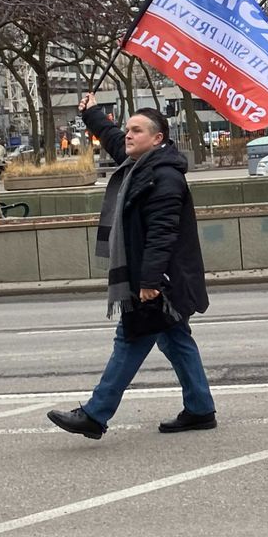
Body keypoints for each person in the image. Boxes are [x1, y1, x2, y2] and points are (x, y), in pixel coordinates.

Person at [47, 93, 216, 439]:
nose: (128, 135)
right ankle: (199, 408)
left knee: (130, 338)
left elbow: (162, 233)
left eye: (137, 130)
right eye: (128, 129)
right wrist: (92, 111)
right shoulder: (141, 166)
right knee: (175, 339)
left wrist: (150, 279)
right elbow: (111, 138)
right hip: (158, 275)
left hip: (160, 279)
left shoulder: (163, 178)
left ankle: (95, 414)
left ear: (158, 139)